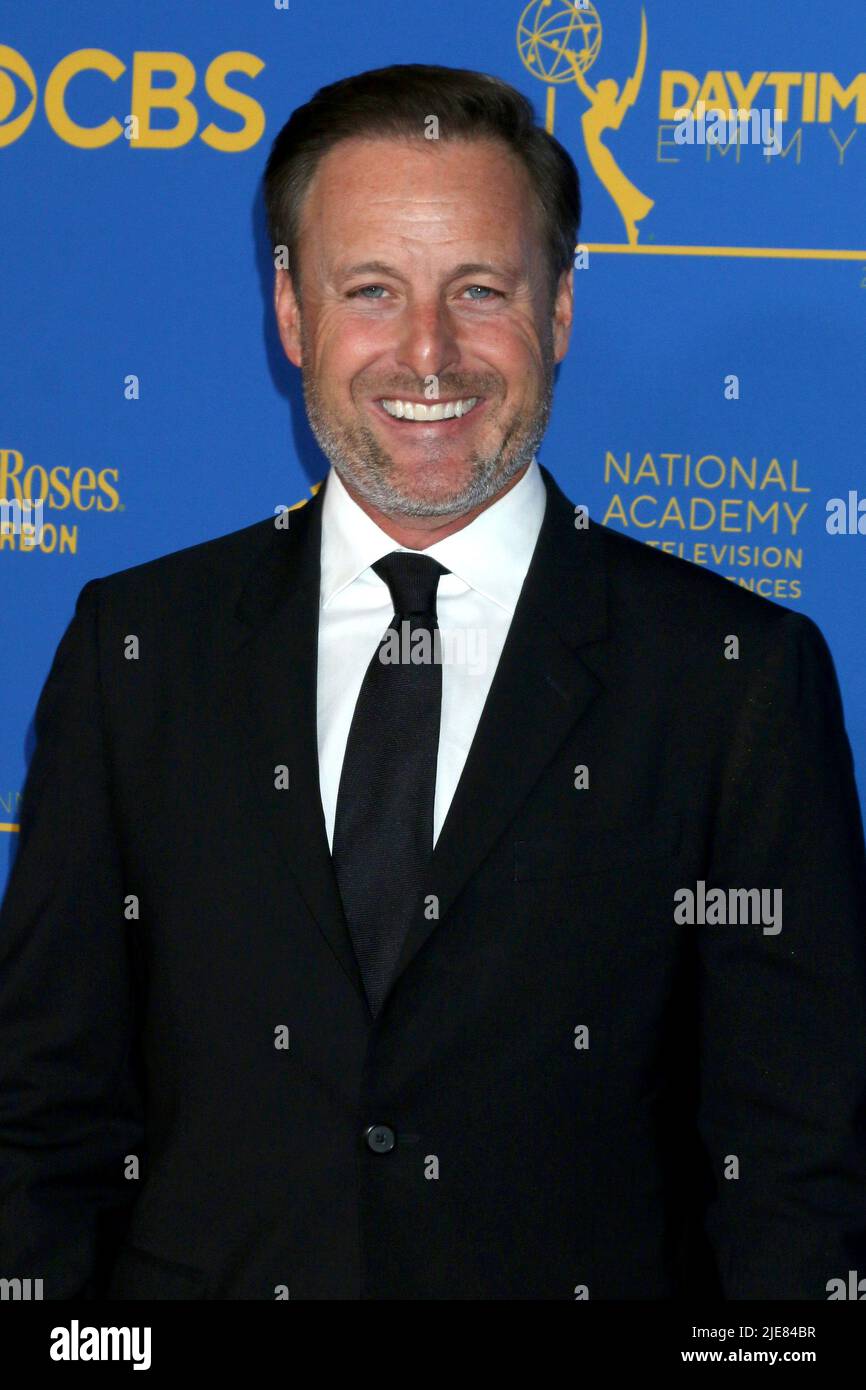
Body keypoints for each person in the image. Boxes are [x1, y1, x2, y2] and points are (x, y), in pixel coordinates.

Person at [1, 64, 865, 1301]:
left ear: (559, 308)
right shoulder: (136, 649)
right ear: (289, 311)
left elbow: (794, 1168)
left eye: (479, 289)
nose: (427, 353)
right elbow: (42, 1113)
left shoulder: (733, 682)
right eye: (370, 290)